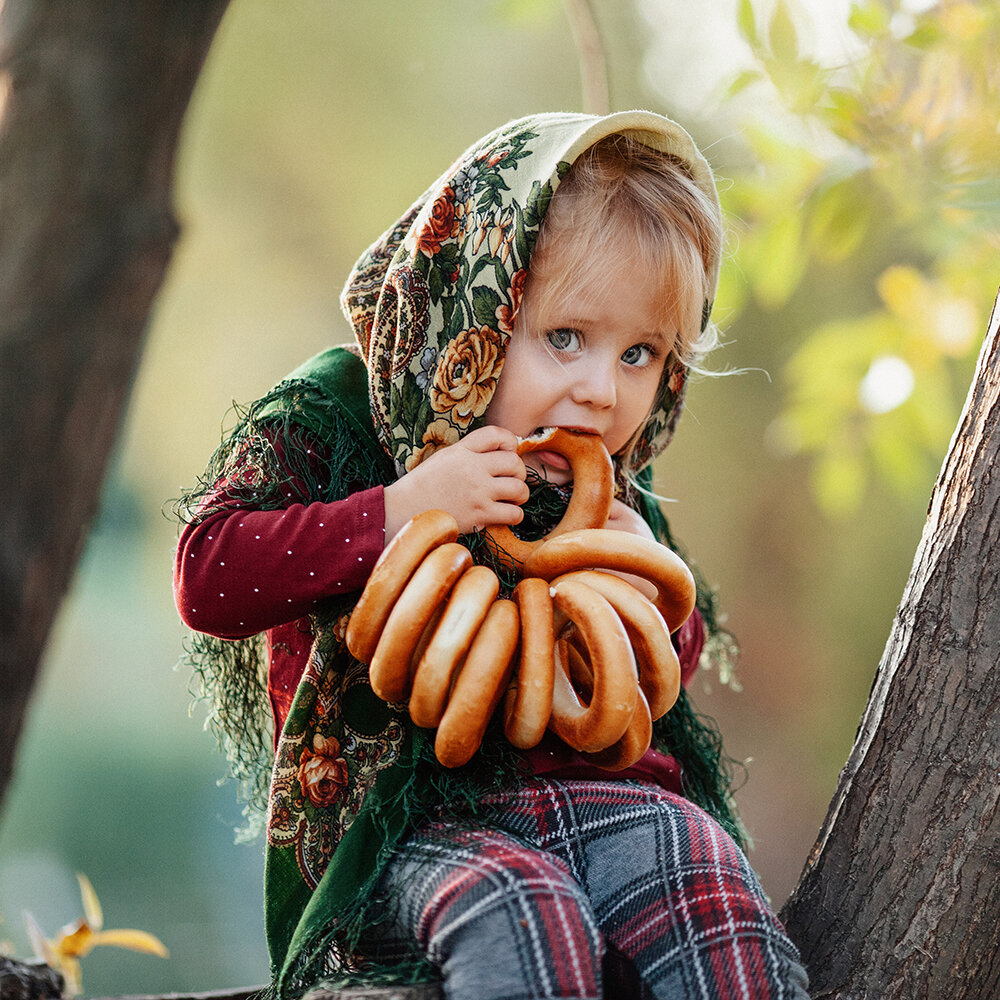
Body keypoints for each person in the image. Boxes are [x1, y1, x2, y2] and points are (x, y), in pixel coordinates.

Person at [174, 111, 809, 1000]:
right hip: (411, 825)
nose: (600, 391)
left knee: (706, 877)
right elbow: (209, 574)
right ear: (474, 309)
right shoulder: (345, 417)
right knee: (519, 906)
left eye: (640, 354)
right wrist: (401, 510)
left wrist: (654, 600)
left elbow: (659, 681)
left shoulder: (611, 494)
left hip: (610, 805)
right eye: (564, 339)